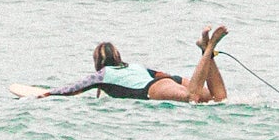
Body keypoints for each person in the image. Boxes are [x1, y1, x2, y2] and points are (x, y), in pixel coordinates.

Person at [44, 29, 230, 104]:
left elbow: (73, 89)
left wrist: (48, 93)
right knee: (219, 98)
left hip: (153, 88)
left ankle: (210, 47)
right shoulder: (134, 66)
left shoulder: (101, 75)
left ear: (98, 63)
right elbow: (162, 74)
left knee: (192, 97)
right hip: (164, 80)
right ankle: (205, 50)